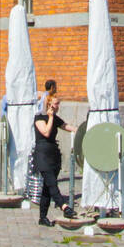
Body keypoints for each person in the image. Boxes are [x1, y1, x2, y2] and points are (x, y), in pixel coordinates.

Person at [33, 92, 76, 226]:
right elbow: (46, 132)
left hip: (53, 156)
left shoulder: (56, 118)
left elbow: (68, 127)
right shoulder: (39, 117)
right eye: (56, 104)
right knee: (52, 183)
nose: (58, 106)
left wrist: (81, 130)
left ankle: (42, 217)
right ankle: (64, 207)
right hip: (42, 155)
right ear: (49, 104)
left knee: (47, 187)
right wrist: (50, 117)